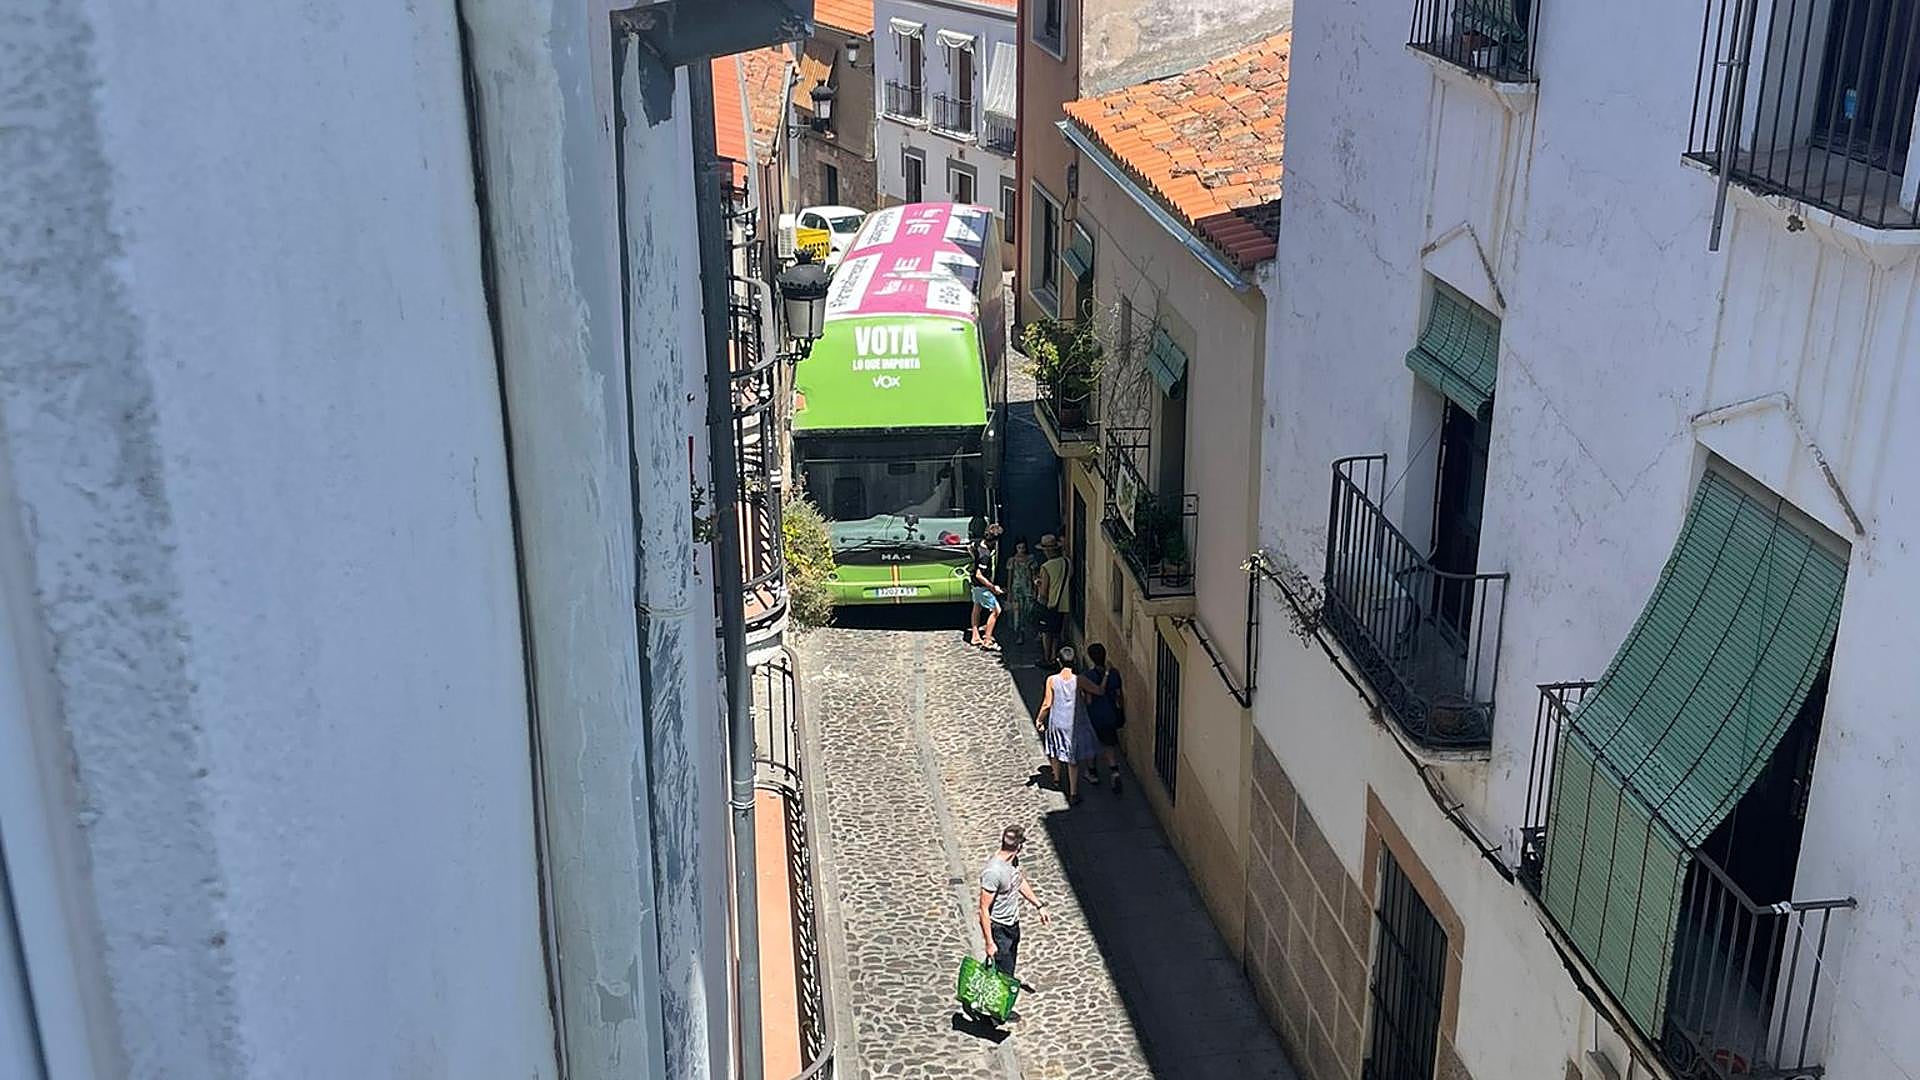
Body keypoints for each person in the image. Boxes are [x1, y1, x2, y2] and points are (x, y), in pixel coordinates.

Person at [979, 825, 1048, 991]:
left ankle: (989, 997)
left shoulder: (1012, 861)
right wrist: (989, 942)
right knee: (1004, 974)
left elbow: (1019, 882)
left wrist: (1038, 905)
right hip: (999, 928)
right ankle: (996, 1013)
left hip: (1012, 925)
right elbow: (983, 910)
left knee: (1005, 967)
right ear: (1019, 846)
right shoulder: (993, 872)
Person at [1034, 646, 1105, 804]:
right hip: (1074, 723)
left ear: (1059, 661)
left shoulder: (1051, 680)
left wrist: (1039, 720)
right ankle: (1073, 793)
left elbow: (1047, 703)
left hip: (1057, 721)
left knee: (1055, 750)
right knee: (1072, 759)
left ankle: (1057, 779)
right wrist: (1106, 675)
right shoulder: (1080, 680)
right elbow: (1099, 691)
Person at [1081, 642, 1125, 793]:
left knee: (1092, 745)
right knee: (1109, 745)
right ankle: (1114, 771)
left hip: (1095, 716)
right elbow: (1119, 695)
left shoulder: (1088, 676)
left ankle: (1092, 773)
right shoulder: (1115, 673)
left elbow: (1089, 700)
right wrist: (1120, 712)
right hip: (1111, 714)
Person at [1034, 534, 1071, 667]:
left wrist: (1038, 585)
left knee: (1046, 633)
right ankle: (1055, 656)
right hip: (1063, 604)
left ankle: (1047, 657)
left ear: (1047, 551)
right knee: (1056, 633)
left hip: (1050, 604)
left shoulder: (1046, 567)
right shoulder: (1066, 562)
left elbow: (1044, 591)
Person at [968, 524, 1005, 650]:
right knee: (996, 610)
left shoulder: (977, 543)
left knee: (977, 607)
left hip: (973, 585)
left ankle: (975, 636)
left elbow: (970, 549)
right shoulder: (985, 555)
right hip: (981, 586)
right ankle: (988, 640)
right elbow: (979, 575)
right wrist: (993, 587)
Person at [1003, 537, 1037, 647]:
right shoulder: (1012, 560)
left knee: (1028, 611)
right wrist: (1009, 592)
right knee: (1017, 613)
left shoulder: (1030, 559)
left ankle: (1030, 633)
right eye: (1019, 547)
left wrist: (1035, 589)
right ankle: (1019, 634)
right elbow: (1010, 577)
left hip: (1028, 588)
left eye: (1023, 547)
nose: (1021, 550)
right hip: (1016, 589)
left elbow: (1033, 575)